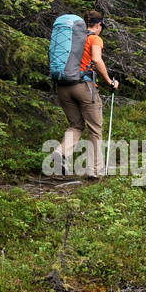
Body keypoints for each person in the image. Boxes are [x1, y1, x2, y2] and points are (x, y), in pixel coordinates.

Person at [55, 10, 118, 179]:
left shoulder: (72, 38)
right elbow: (96, 60)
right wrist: (109, 81)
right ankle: (94, 171)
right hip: (83, 87)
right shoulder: (94, 38)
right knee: (95, 129)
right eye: (101, 26)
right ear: (98, 25)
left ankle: (60, 152)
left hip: (63, 86)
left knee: (76, 125)